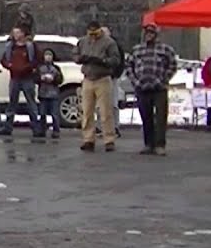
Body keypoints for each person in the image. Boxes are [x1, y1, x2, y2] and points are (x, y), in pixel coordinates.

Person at [126, 23, 178, 156]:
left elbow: (172, 65)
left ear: (156, 35)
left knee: (160, 117)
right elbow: (129, 67)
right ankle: (148, 144)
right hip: (142, 88)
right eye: (147, 33)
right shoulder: (136, 50)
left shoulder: (166, 49)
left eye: (151, 33)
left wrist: (163, 80)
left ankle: (160, 145)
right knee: (146, 117)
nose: (149, 35)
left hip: (159, 88)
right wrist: (136, 82)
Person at [75, 21, 121, 152]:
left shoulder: (109, 42)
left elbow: (116, 59)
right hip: (88, 78)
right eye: (90, 32)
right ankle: (88, 139)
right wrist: (80, 59)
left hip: (103, 78)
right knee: (87, 111)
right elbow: (75, 53)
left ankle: (109, 139)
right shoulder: (83, 41)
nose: (93, 35)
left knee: (106, 111)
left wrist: (103, 61)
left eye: (95, 32)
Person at [0, 26, 44, 138]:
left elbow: (38, 60)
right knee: (12, 103)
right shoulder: (11, 47)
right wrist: (9, 65)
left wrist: (27, 67)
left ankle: (36, 127)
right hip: (14, 78)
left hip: (27, 78)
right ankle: (7, 126)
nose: (16, 35)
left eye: (18, 32)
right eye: (14, 32)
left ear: (23, 34)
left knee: (31, 103)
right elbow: (4, 60)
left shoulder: (31, 47)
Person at [100, 25, 124, 136]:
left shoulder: (115, 46)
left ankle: (115, 126)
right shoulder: (97, 45)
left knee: (113, 103)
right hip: (99, 77)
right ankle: (101, 127)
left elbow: (121, 61)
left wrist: (115, 74)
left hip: (112, 78)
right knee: (100, 104)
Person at [37, 48, 65, 139]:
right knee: (42, 113)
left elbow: (60, 80)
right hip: (43, 93)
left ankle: (56, 131)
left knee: (54, 114)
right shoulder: (40, 67)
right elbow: (35, 78)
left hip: (54, 94)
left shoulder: (56, 68)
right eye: (46, 55)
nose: (48, 57)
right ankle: (42, 130)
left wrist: (53, 79)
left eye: (50, 55)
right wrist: (41, 78)